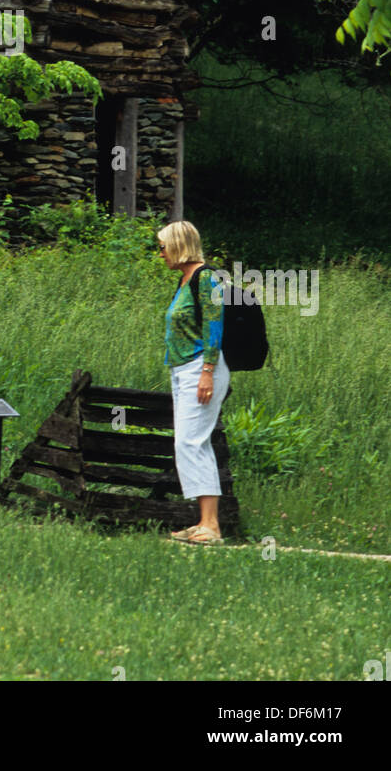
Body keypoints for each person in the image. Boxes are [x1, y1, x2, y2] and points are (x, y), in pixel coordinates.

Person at [157, 220, 230, 545]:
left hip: (202, 367)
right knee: (189, 442)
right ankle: (204, 522)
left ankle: (211, 526)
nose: (160, 254)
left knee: (191, 442)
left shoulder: (206, 277)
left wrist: (207, 372)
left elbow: (214, 325)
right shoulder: (184, 280)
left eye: (163, 247)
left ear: (178, 245)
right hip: (183, 369)